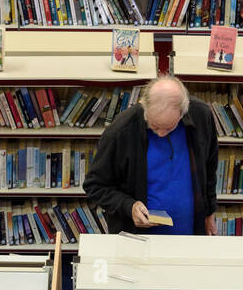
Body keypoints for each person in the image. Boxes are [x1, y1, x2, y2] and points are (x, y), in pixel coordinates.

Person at [84, 75, 218, 236]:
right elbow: (95, 185)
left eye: (169, 128)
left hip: (189, 233)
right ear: (144, 107)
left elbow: (210, 169)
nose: (161, 134)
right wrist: (129, 206)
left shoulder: (202, 116)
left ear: (183, 112)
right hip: (138, 238)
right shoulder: (120, 131)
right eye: (154, 126)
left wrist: (209, 213)